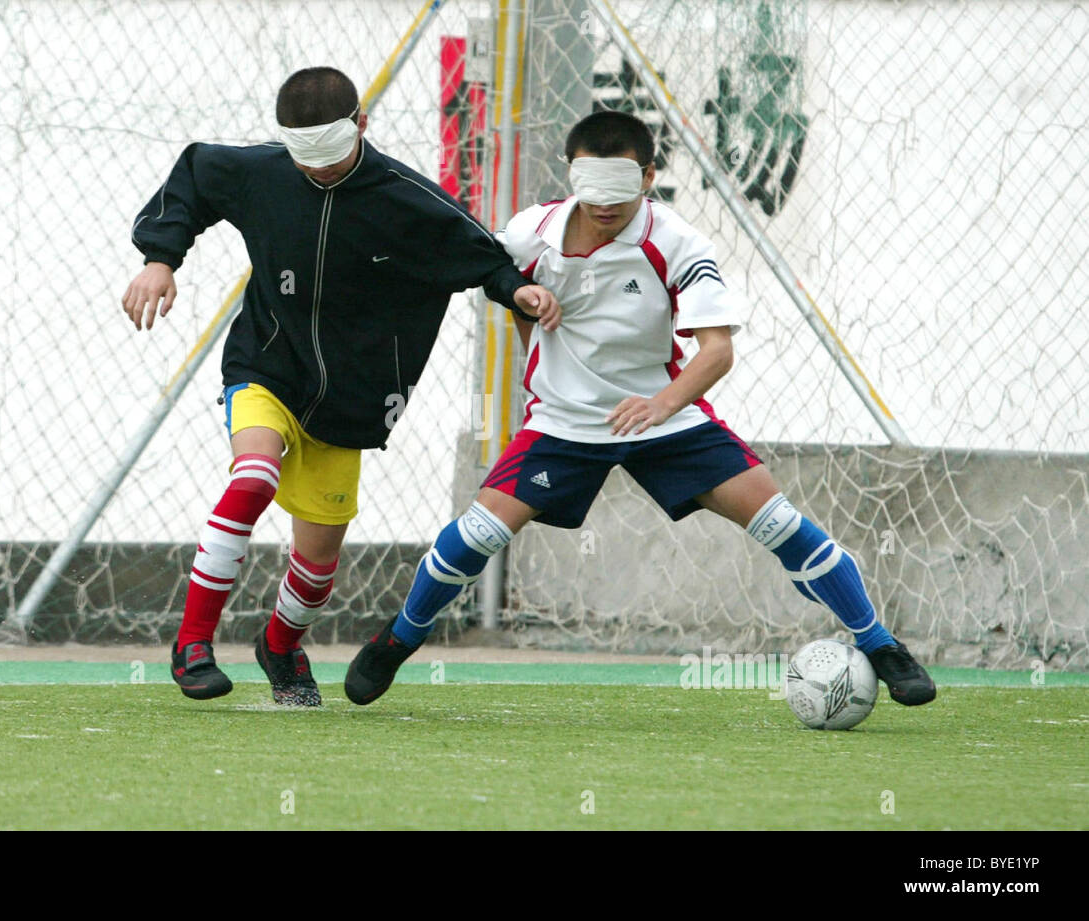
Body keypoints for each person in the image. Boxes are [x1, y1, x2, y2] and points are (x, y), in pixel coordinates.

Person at [344, 110, 936, 708]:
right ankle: (399, 639)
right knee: (476, 535)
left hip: (667, 418)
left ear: (650, 175)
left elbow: (717, 351)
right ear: (571, 175)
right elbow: (496, 277)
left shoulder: (676, 242)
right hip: (564, 422)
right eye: (593, 194)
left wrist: (661, 405)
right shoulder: (531, 232)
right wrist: (532, 321)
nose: (605, 210)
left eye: (620, 195)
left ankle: (882, 646)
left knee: (780, 523)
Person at [122, 66, 560, 706]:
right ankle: (192, 645)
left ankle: (280, 644)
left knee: (318, 568)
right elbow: (194, 174)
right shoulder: (261, 173)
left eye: (330, 157)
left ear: (362, 124)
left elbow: (483, 256)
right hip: (266, 364)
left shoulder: (404, 198)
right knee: (253, 478)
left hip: (350, 401)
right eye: (306, 160)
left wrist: (515, 290)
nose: (319, 173)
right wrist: (160, 258)